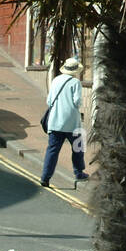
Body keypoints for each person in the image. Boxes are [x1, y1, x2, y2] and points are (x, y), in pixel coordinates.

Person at [40, 57, 89, 189]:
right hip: (72, 122)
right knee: (78, 147)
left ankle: (45, 177)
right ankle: (79, 173)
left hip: (55, 122)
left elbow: (49, 101)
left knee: (52, 150)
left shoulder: (56, 80)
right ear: (75, 70)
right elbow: (77, 101)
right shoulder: (75, 82)